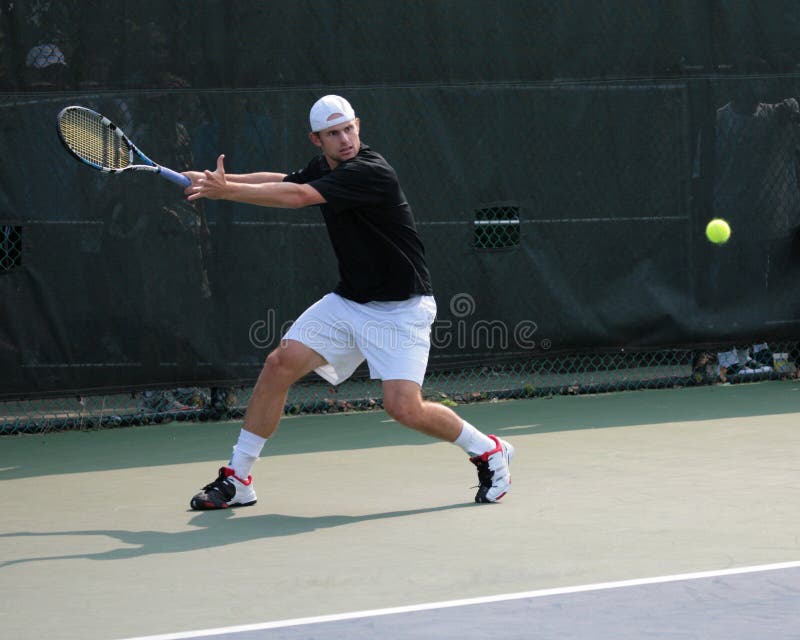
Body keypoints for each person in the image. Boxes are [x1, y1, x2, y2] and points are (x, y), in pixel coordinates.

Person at [183, 95, 513, 508]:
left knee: (404, 408)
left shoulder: (370, 170)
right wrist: (215, 180)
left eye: (348, 129)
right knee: (279, 364)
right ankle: (238, 478)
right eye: (333, 134)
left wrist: (226, 191)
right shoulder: (325, 166)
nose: (344, 139)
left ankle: (488, 450)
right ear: (316, 139)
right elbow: (286, 180)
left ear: (358, 126)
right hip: (350, 301)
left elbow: (297, 196)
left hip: (401, 308)